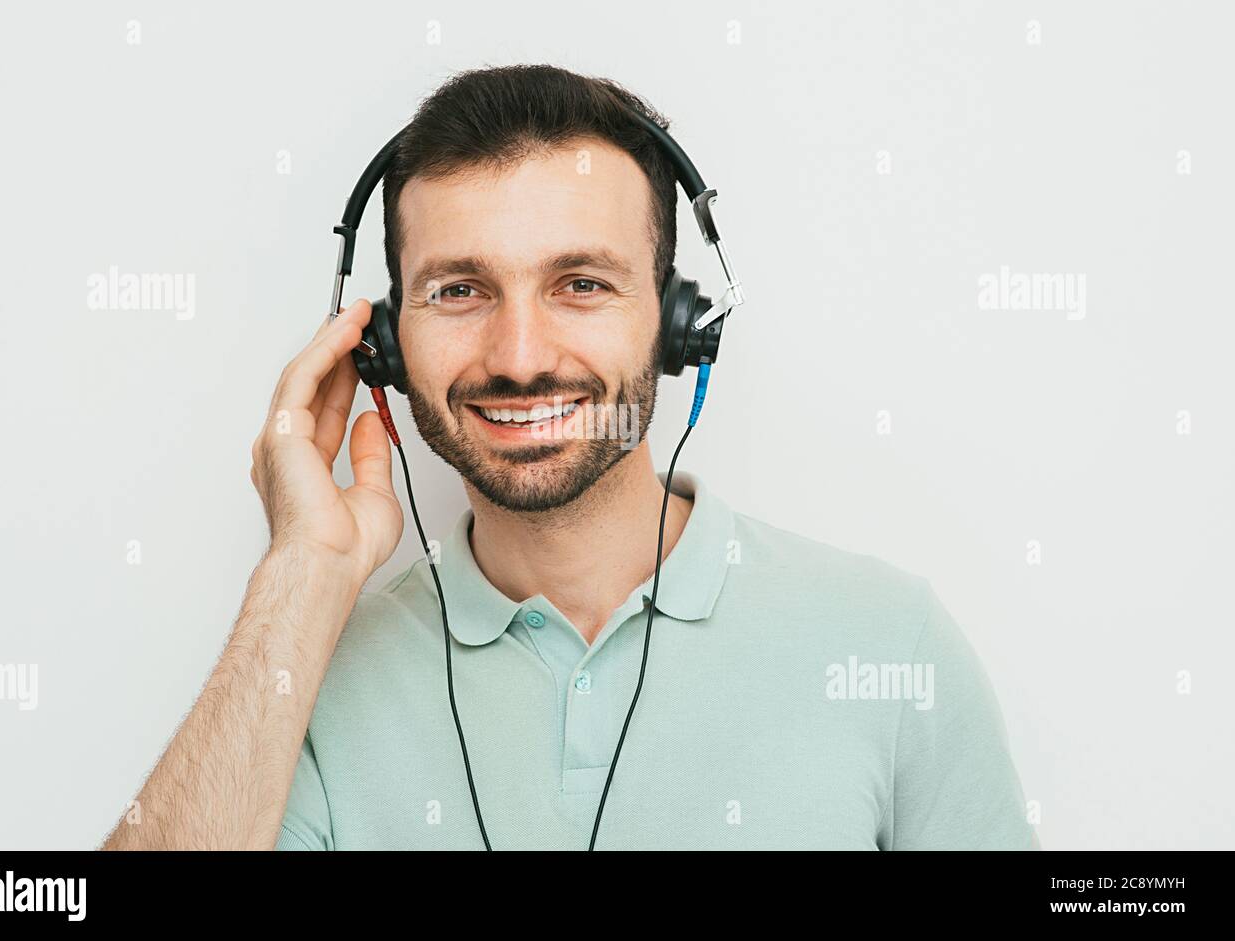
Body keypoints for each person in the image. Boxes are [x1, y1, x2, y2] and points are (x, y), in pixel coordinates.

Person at [101, 64, 1037, 851]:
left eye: (580, 284)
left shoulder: (886, 642)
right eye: (460, 289)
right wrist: (299, 578)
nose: (519, 356)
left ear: (680, 324)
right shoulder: (300, 677)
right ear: (379, 344)